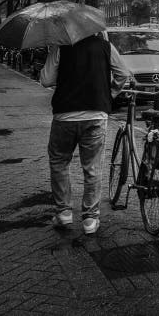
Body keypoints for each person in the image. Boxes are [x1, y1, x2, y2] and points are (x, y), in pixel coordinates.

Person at [40, 32, 129, 235]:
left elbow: (45, 80)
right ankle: (90, 218)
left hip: (65, 115)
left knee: (59, 162)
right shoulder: (105, 46)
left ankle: (63, 212)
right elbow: (123, 73)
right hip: (96, 114)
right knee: (93, 167)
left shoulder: (60, 46)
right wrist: (110, 93)